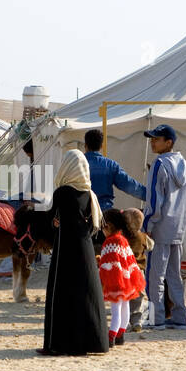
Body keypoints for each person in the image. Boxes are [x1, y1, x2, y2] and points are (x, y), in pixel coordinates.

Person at [39, 149, 109, 356]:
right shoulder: (90, 194)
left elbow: (53, 221)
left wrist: (54, 222)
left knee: (62, 295)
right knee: (86, 294)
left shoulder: (62, 192)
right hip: (85, 250)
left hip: (65, 251)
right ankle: (91, 342)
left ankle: (58, 344)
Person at [141, 125, 186, 330]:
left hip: (160, 227)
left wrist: (147, 224)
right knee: (174, 274)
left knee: (155, 275)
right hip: (179, 226)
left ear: (168, 142)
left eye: (156, 139)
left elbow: (155, 199)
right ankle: (180, 317)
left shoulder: (159, 164)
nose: (153, 142)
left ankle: (156, 318)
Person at [98, 208, 147, 347]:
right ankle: (120, 335)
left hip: (115, 281)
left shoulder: (109, 242)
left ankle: (111, 336)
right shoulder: (123, 240)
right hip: (127, 280)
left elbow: (108, 263)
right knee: (125, 308)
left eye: (103, 227)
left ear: (108, 226)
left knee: (116, 311)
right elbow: (130, 260)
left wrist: (101, 272)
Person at [83, 128, 146, 210]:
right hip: (105, 214)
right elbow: (130, 185)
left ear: (85, 145)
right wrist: (151, 196)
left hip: (82, 214)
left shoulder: (75, 164)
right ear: (101, 146)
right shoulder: (110, 165)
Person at [121, 207, 154, 332]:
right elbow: (152, 246)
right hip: (138, 271)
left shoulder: (121, 237)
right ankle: (136, 321)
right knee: (138, 297)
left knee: (124, 297)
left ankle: (123, 321)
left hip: (124, 270)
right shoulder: (142, 237)